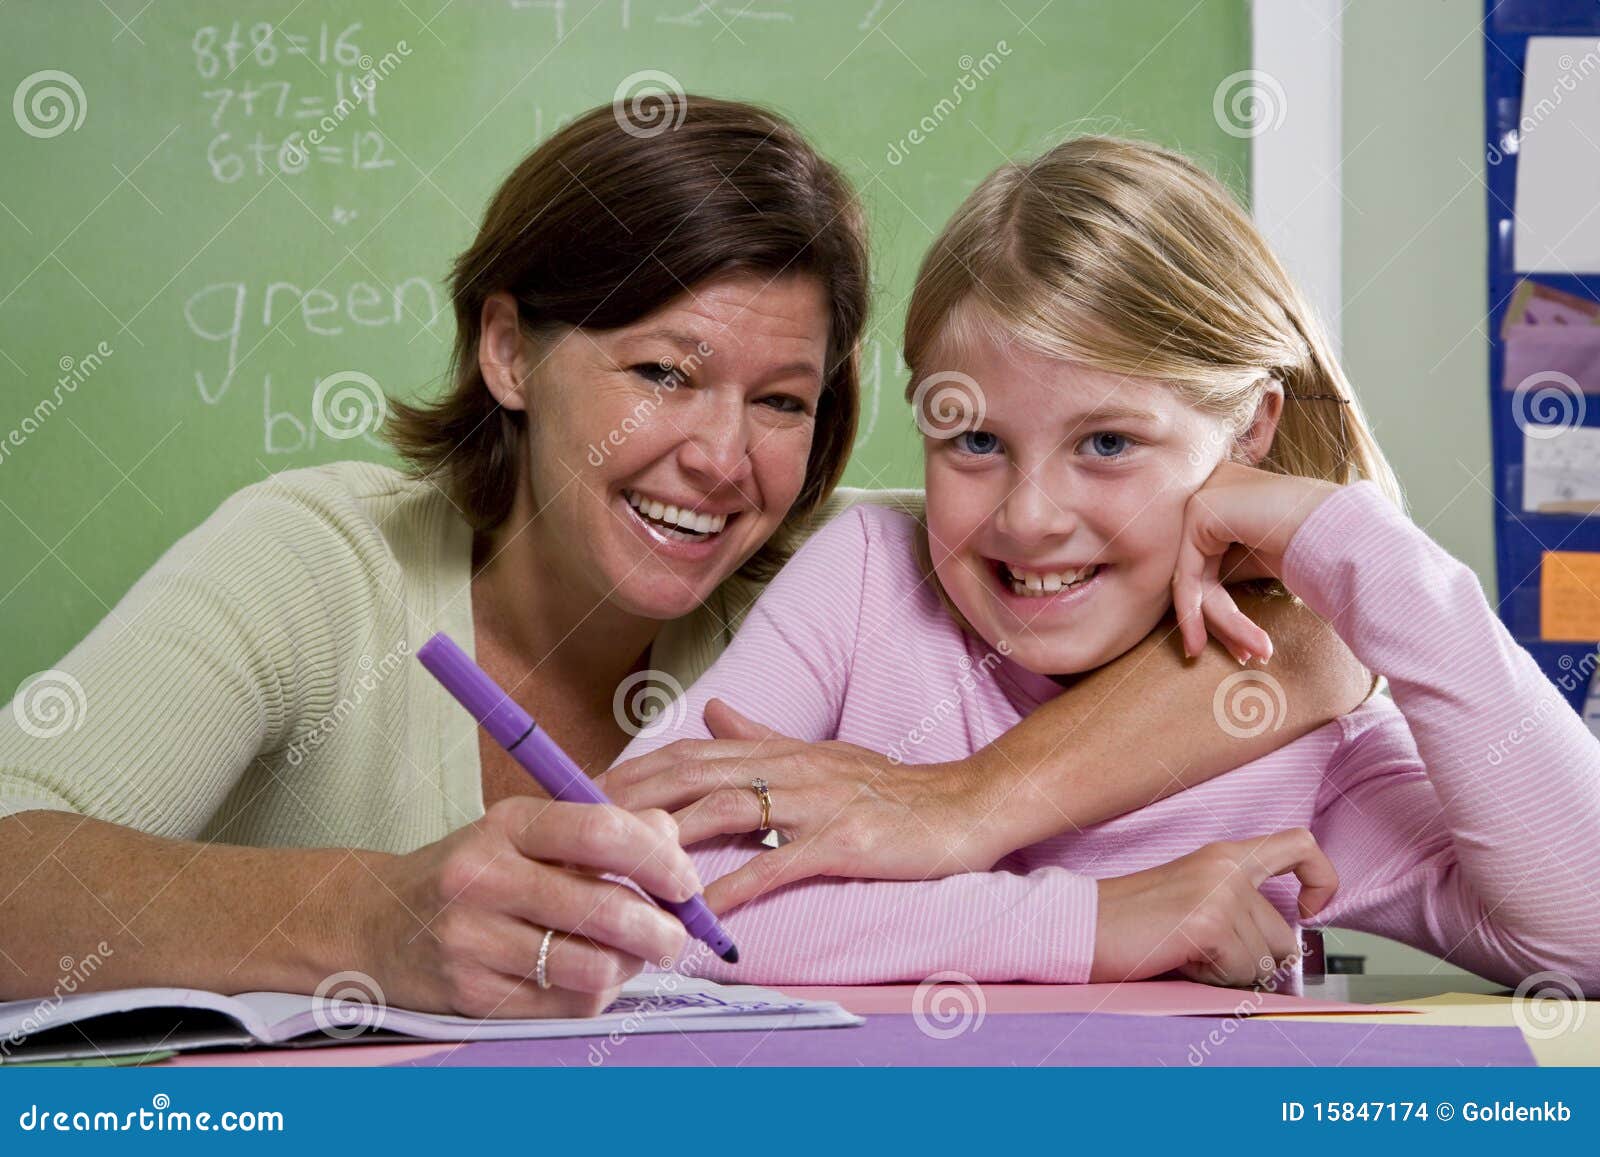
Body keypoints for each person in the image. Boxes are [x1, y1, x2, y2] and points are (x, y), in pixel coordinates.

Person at [0, 100, 1364, 1019]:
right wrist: (374, 916)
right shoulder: (322, 562)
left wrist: (965, 799)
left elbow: (1326, 621)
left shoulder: (872, 568)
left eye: (782, 400)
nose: (724, 459)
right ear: (508, 351)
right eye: (663, 372)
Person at [612, 135, 1600, 993]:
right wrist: (1091, 921)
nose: (1030, 517)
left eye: (1109, 443)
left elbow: (1584, 936)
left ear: (1249, 432)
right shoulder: (867, 581)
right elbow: (616, 900)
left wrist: (1360, 546)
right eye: (974, 440)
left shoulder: (1294, 729)